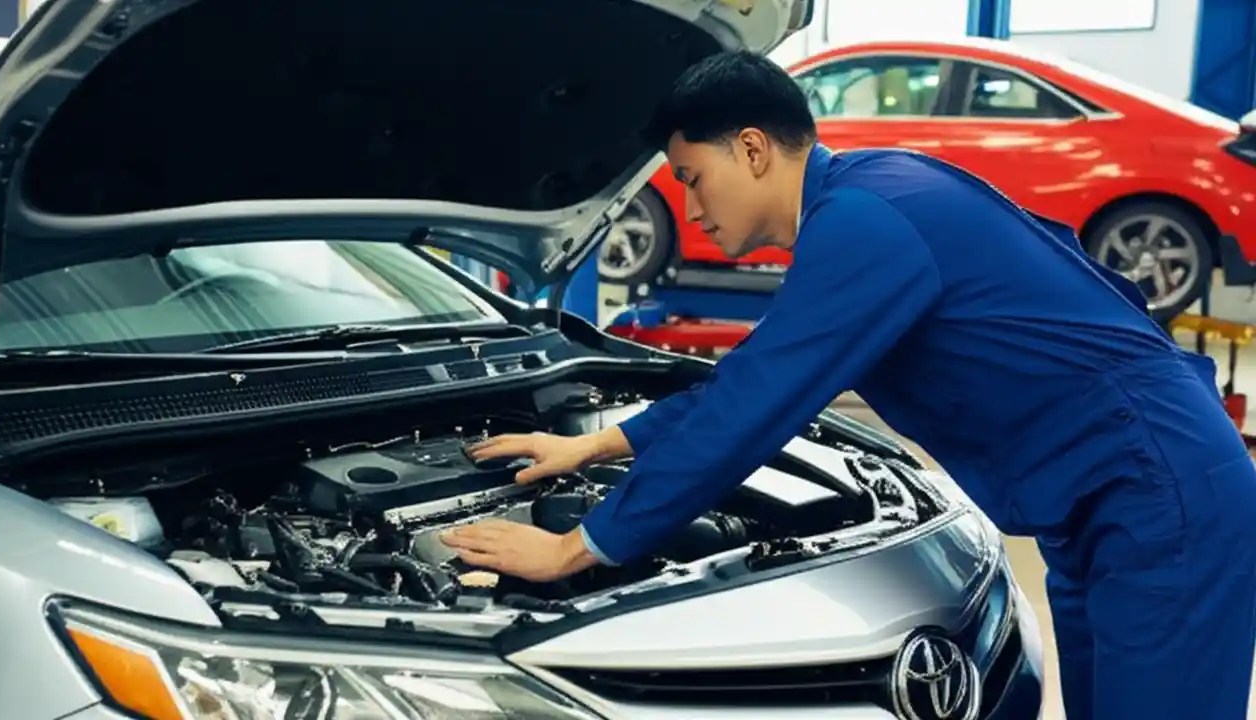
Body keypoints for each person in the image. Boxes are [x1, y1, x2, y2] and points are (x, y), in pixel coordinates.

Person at [440, 50, 1256, 719]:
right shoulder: (870, 194)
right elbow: (747, 384)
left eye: (691, 178)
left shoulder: (868, 225)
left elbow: (754, 410)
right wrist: (594, 442)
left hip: (1158, 498)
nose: (689, 205)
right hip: (1101, 505)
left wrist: (577, 547)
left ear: (752, 149)